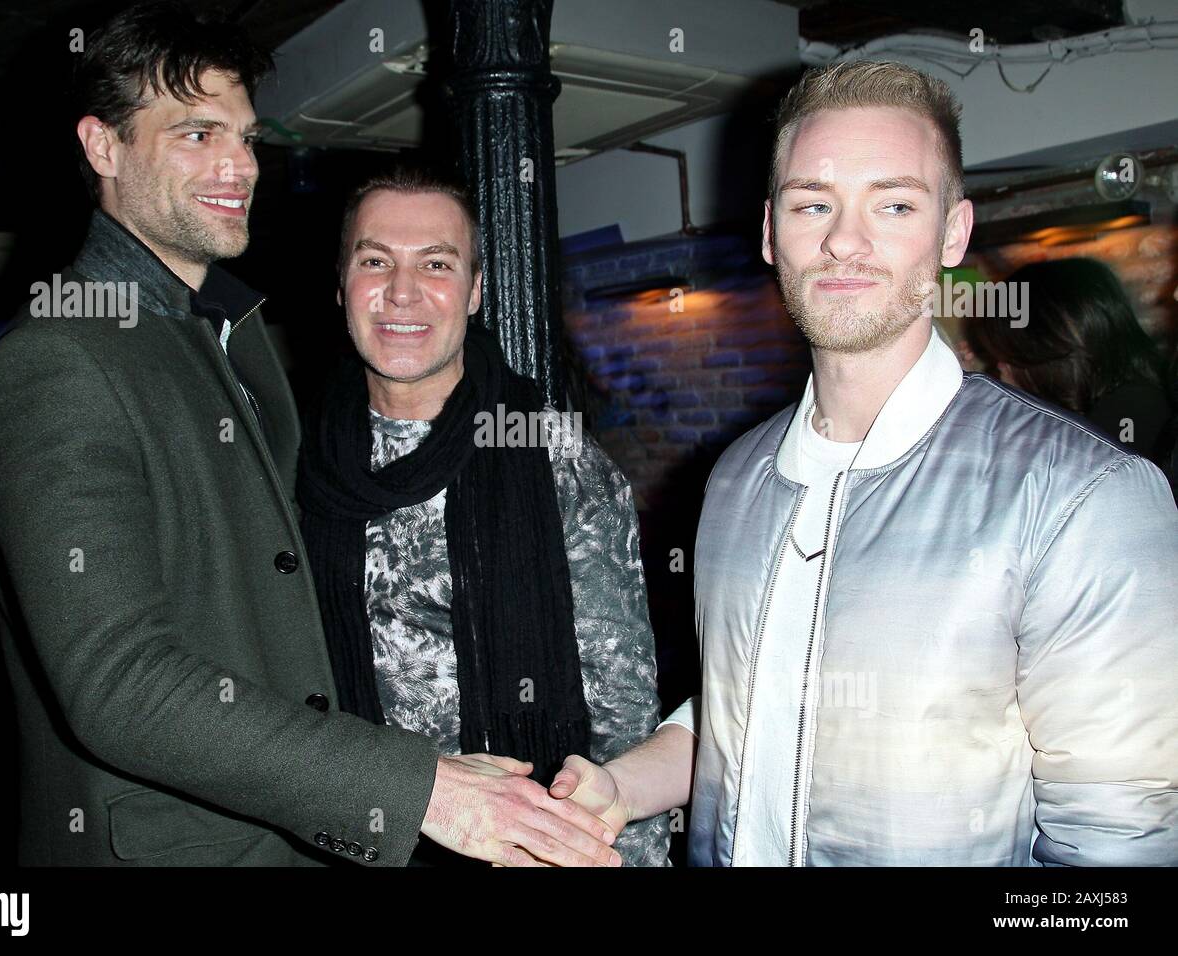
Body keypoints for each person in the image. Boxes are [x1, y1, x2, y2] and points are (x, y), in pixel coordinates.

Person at [0, 1, 619, 867]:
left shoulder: (232, 343)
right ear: (103, 147)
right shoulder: (60, 360)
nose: (238, 164)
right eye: (196, 134)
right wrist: (417, 786)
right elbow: (119, 685)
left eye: (244, 137)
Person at [548, 60, 1178, 866]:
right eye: (816, 203)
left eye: (895, 204)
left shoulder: (1083, 495)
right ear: (772, 232)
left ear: (953, 232)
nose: (845, 240)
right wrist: (623, 787)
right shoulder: (737, 479)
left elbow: (1117, 854)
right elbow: (746, 712)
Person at [296, 167, 670, 866]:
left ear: (473, 291)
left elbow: (621, 706)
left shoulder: (555, 459)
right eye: (376, 261)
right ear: (341, 283)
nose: (403, 291)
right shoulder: (287, 455)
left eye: (436, 264)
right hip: (340, 838)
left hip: (520, 846)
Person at [966, 257, 1177, 471]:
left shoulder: (1123, 416)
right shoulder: (1136, 397)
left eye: (1008, 355)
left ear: (1044, 348)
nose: (1000, 367)